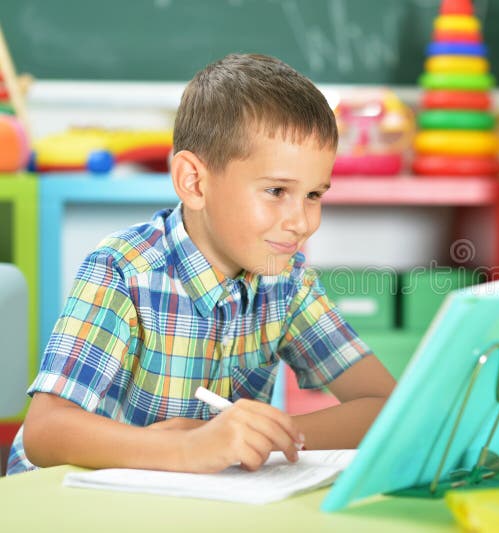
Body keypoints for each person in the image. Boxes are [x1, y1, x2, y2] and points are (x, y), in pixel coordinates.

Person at [6, 54, 396, 475]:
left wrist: (266, 436)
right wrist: (188, 448)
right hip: (73, 497)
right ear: (193, 182)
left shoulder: (288, 282)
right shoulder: (123, 270)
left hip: (192, 501)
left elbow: (387, 406)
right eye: (276, 191)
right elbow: (44, 432)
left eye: (314, 195)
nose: (302, 222)